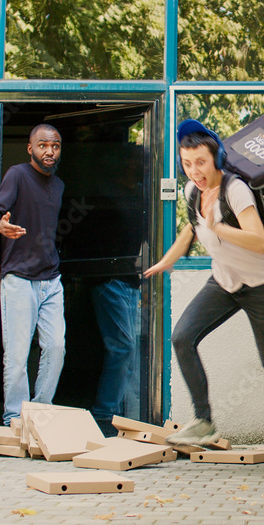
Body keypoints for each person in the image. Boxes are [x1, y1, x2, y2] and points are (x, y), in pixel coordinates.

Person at [143, 119, 264, 463]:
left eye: (200, 162)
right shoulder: (191, 192)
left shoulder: (235, 190)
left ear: (215, 157)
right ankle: (204, 421)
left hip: (263, 287)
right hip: (224, 283)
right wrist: (166, 261)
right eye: (187, 163)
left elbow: (258, 241)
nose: (194, 171)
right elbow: (190, 230)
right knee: (182, 337)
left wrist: (218, 226)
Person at [0, 124, 66, 426]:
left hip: (51, 280)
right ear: (31, 148)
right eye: (43, 145)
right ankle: (14, 419)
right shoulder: (17, 174)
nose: (49, 151)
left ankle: (39, 414)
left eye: (55, 146)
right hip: (18, 279)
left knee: (56, 348)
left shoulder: (58, 185)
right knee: (17, 357)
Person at [90, 146, 145, 435]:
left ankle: (127, 417)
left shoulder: (143, 196)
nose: (143, 166)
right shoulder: (105, 195)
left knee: (132, 352)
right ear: (126, 164)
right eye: (137, 161)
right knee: (122, 347)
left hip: (133, 283)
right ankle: (104, 415)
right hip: (109, 282)